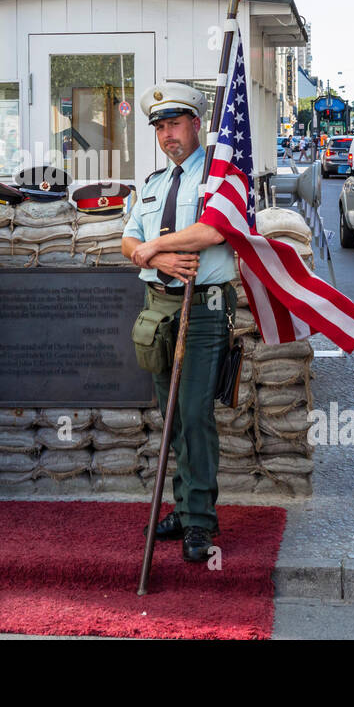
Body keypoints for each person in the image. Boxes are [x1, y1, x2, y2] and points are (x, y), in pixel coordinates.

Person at [122, 83, 237, 563]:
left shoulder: (220, 177)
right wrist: (156, 257)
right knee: (171, 417)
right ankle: (184, 505)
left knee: (193, 413)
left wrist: (155, 250)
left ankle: (200, 522)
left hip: (205, 308)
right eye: (161, 127)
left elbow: (214, 230)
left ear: (196, 125)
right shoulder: (152, 184)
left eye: (176, 124)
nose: (168, 135)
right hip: (160, 307)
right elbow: (129, 242)